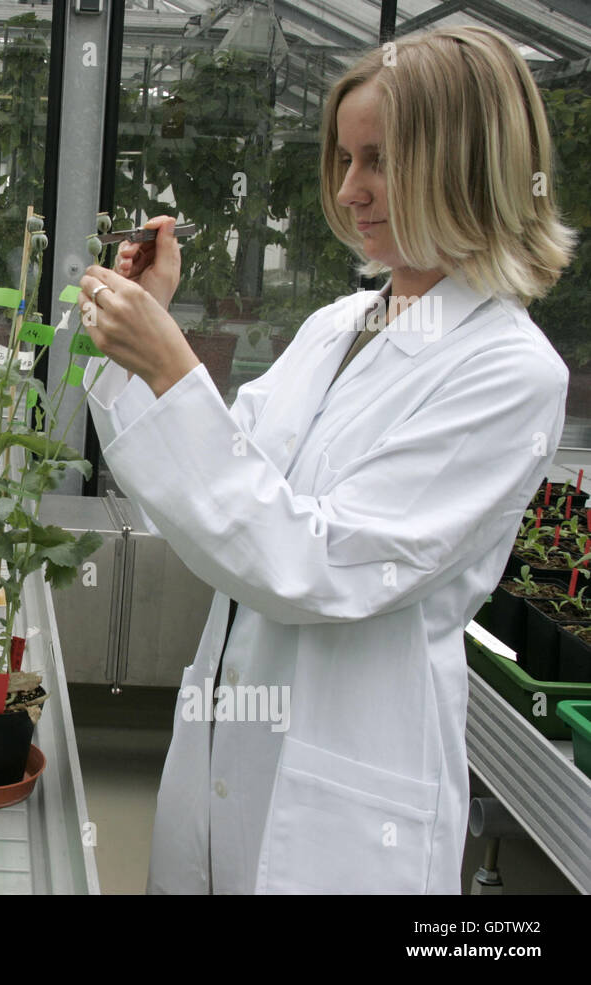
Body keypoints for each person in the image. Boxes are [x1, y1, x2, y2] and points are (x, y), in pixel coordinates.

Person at [78, 24, 576, 894]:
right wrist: (142, 344)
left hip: (346, 805)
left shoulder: (510, 372)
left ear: (465, 163)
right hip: (225, 753)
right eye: (344, 160)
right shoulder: (336, 328)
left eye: (378, 160)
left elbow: (308, 561)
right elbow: (209, 503)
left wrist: (171, 365)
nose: (350, 191)